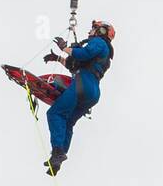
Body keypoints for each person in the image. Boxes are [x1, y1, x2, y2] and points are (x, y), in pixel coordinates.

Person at [41, 20, 115, 175]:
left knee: (55, 113)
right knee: (68, 122)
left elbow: (83, 54)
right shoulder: (103, 54)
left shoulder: (99, 43)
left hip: (83, 84)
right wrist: (57, 58)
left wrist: (64, 48)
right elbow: (75, 64)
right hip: (93, 92)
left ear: (101, 31)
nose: (89, 32)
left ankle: (57, 152)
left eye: (93, 29)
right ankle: (58, 159)